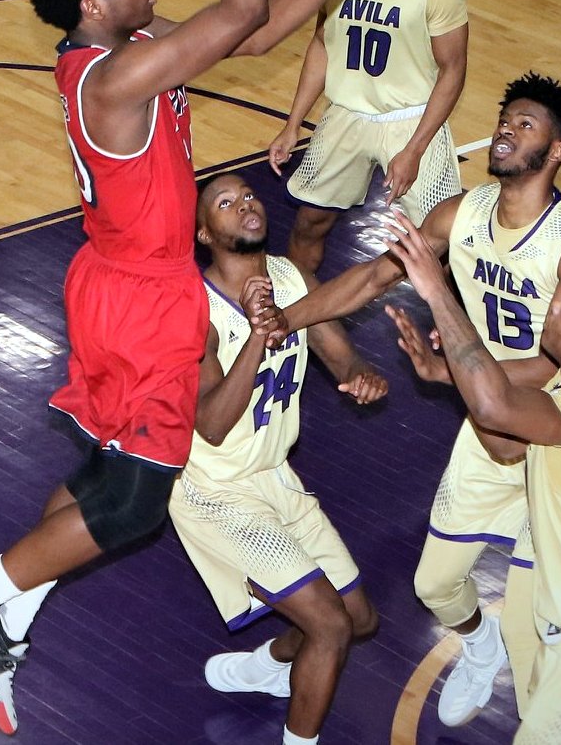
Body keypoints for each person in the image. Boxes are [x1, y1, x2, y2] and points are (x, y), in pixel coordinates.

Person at [0, 0, 393, 736]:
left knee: (106, 474)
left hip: (134, 287)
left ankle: (9, 615)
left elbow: (254, 38)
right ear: (94, 6)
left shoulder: (126, 50)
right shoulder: (119, 78)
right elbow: (242, 9)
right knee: (133, 504)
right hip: (139, 298)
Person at [265, 72, 561, 727]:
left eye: (527, 123)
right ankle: (479, 646)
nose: (506, 129)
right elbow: (372, 276)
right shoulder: (459, 214)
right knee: (434, 585)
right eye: (505, 119)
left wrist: (454, 374)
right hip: (487, 428)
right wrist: (292, 317)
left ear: (559, 151)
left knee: (543, 630)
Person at [385, 218, 561, 745]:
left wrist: (436, 290)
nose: (556, 303)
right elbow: (503, 441)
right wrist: (451, 375)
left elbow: (495, 401)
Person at [173, 174, 387, 745]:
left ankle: (267, 666)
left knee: (360, 619)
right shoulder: (194, 311)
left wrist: (358, 375)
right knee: (329, 626)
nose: (245, 204)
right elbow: (212, 425)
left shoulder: (290, 276)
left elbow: (337, 352)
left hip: (274, 478)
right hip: (215, 492)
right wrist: (255, 334)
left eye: (247, 195)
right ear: (203, 233)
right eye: (225, 203)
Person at [261, 0, 470, 273]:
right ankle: (300, 322)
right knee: (309, 224)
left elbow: (453, 70)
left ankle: (453, 333)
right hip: (345, 115)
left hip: (411, 119)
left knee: (441, 241)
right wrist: (292, 123)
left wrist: (415, 148)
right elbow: (322, 41)